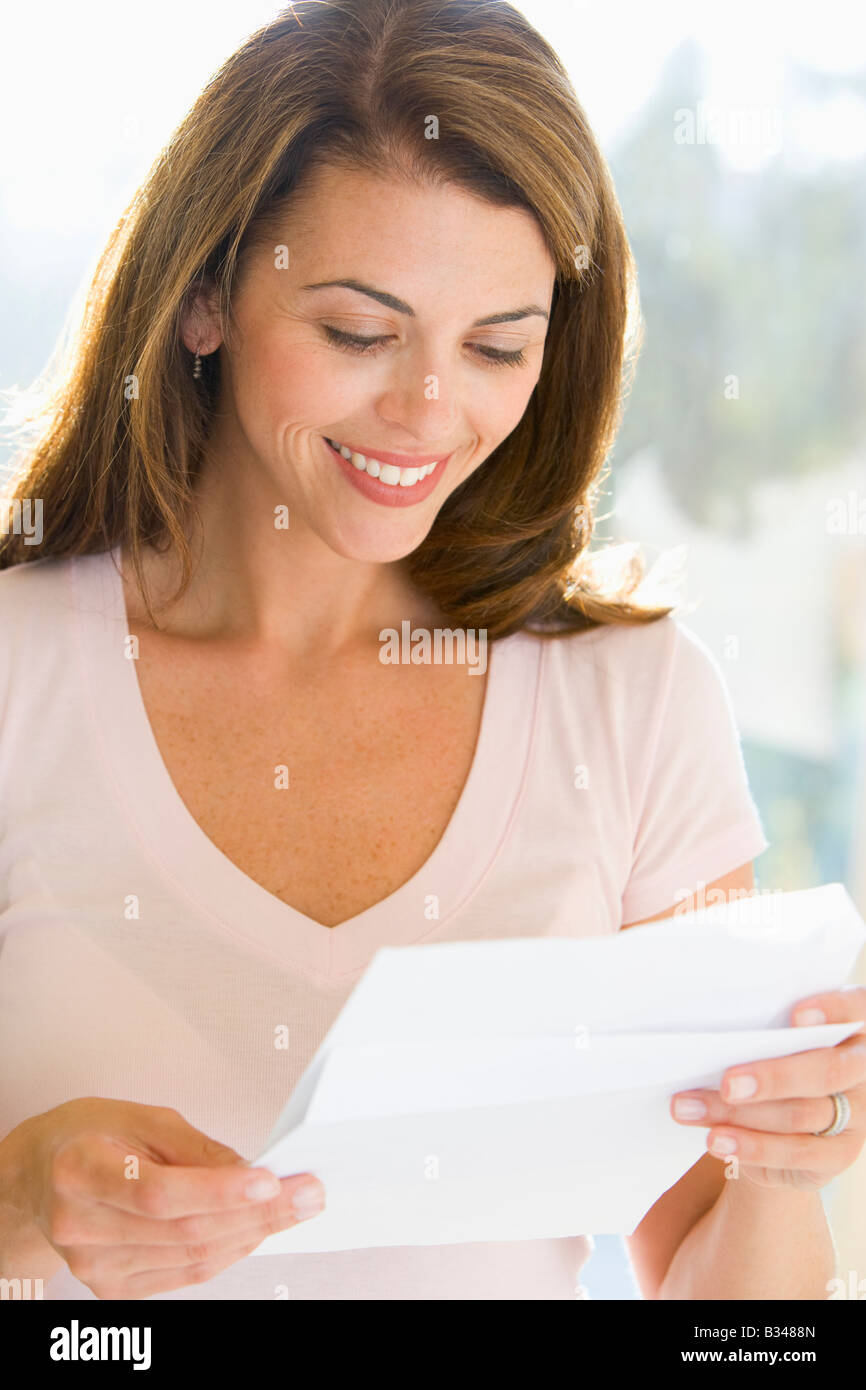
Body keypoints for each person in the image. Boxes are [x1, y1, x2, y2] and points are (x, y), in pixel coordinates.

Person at [1, 0, 863, 1302]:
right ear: (202, 297)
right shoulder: (21, 672)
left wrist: (778, 1167)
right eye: (358, 331)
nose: (425, 410)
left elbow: (725, 1313)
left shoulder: (629, 700)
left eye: (496, 346)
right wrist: (21, 1201)